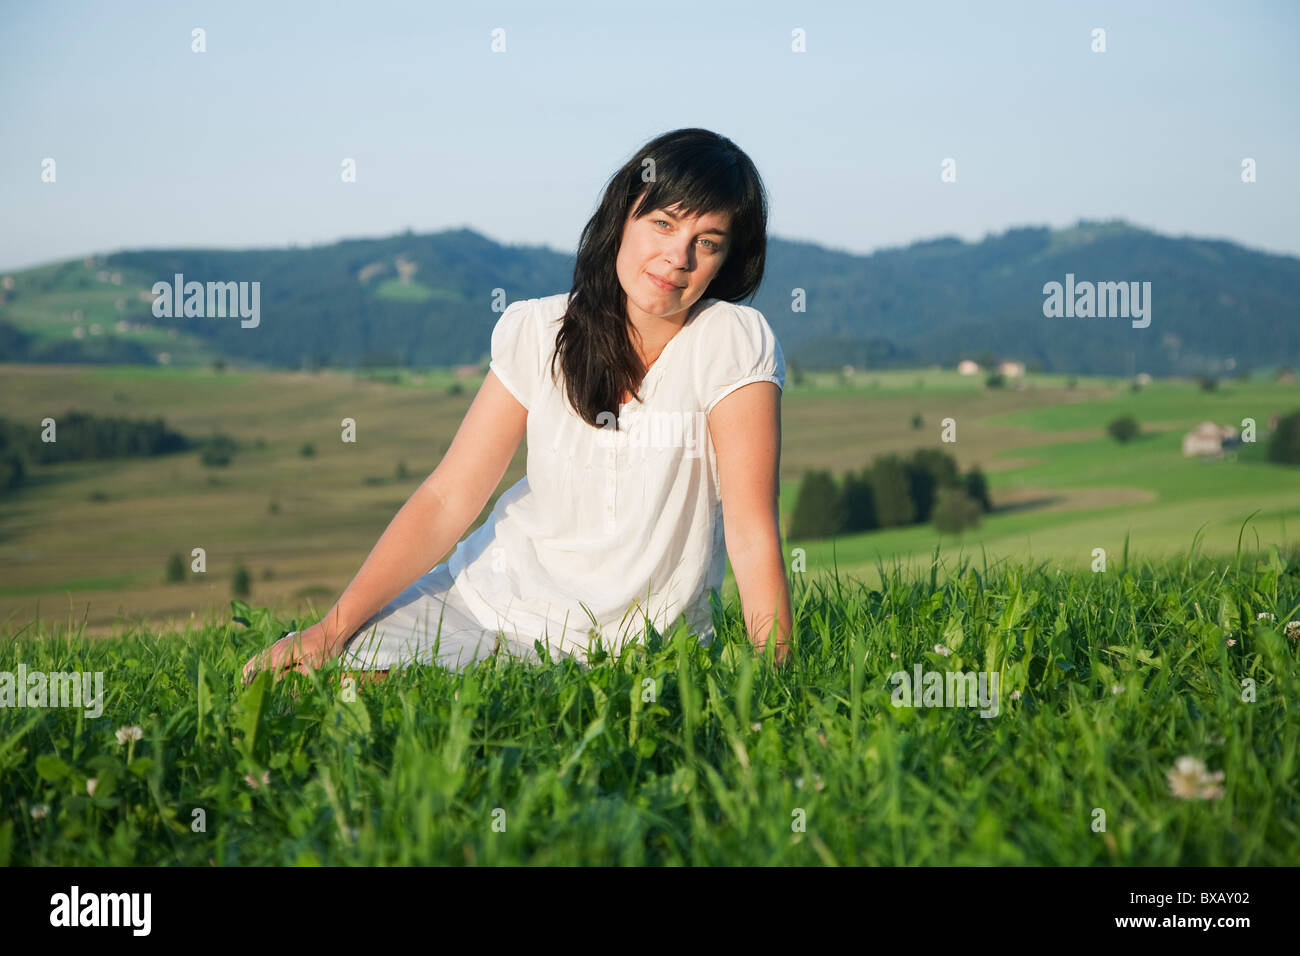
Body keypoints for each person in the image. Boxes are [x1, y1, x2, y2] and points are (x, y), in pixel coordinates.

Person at [241, 127, 792, 686]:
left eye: (708, 241)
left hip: (627, 648)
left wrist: (775, 684)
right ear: (622, 218)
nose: (677, 256)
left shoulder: (731, 342)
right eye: (663, 223)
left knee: (413, 696)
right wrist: (329, 629)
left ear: (726, 260)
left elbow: (752, 532)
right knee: (303, 683)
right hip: (485, 600)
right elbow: (448, 497)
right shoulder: (538, 331)